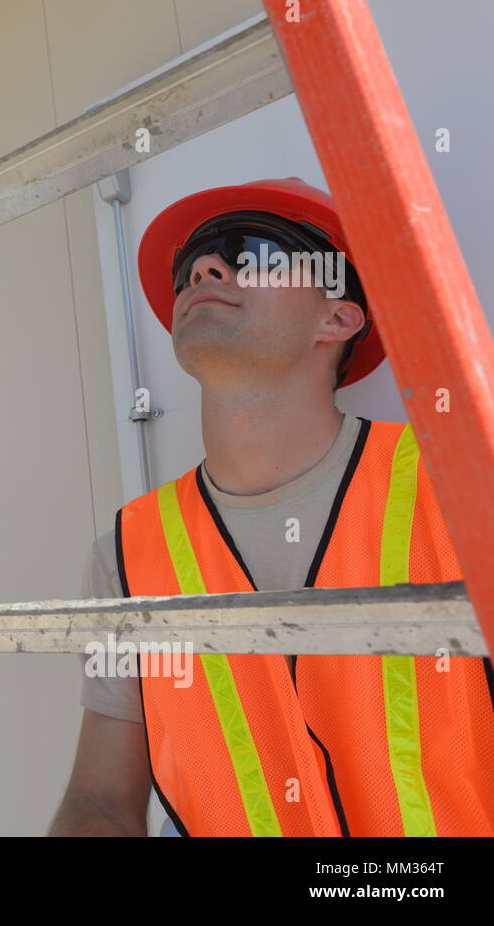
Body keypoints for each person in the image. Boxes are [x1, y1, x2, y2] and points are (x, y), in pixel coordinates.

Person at [49, 177, 493, 836]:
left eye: (249, 251)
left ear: (337, 317)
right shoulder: (127, 554)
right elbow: (102, 801)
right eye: (191, 264)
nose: (205, 267)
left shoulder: (462, 485)